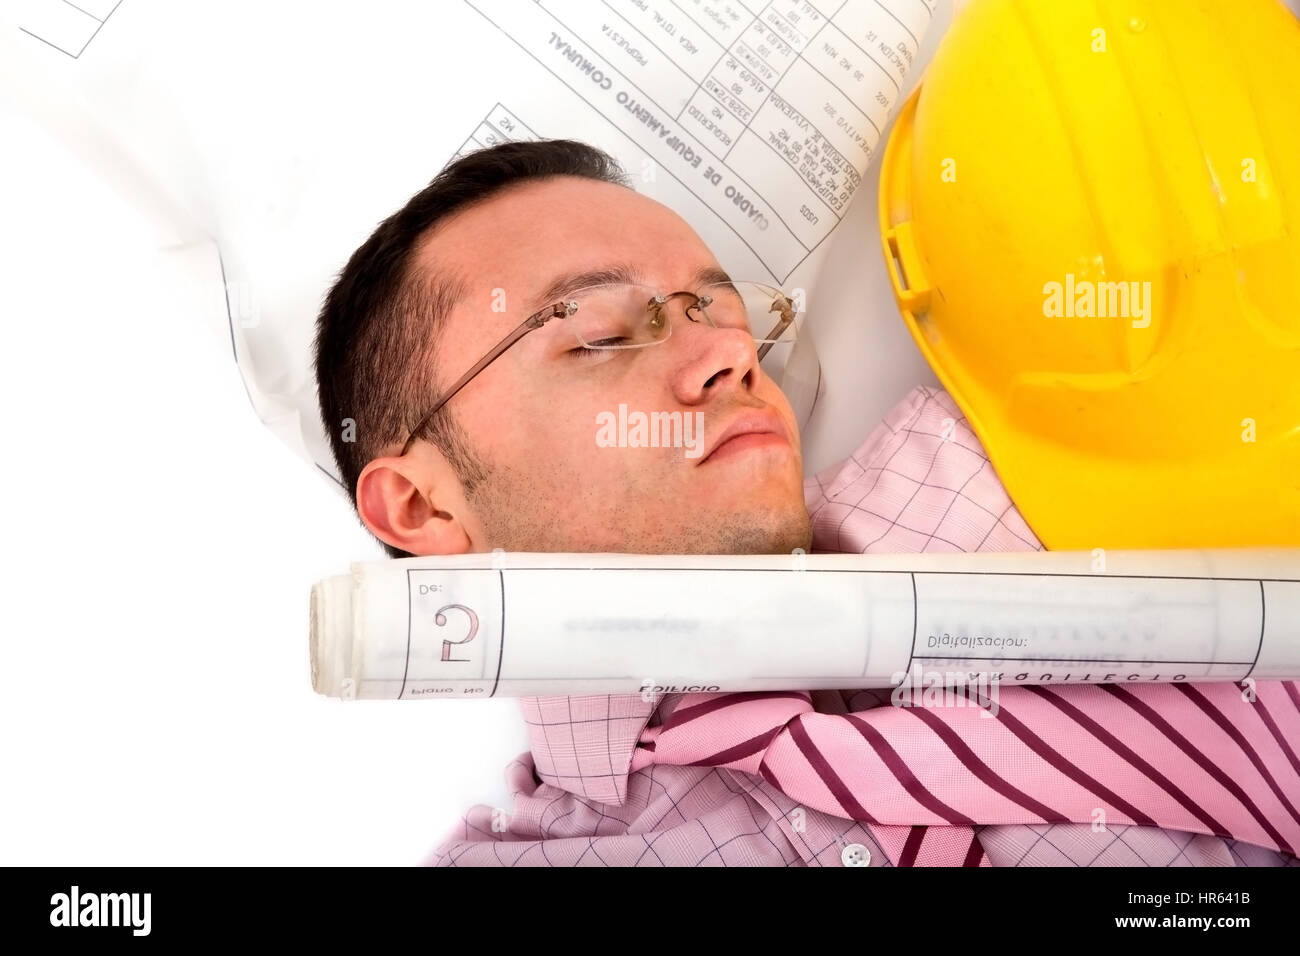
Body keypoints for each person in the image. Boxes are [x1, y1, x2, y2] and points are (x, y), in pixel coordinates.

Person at [313, 139, 1298, 867]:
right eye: (602, 331)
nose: (729, 354)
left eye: (723, 309)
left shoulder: (1002, 458)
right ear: (419, 506)